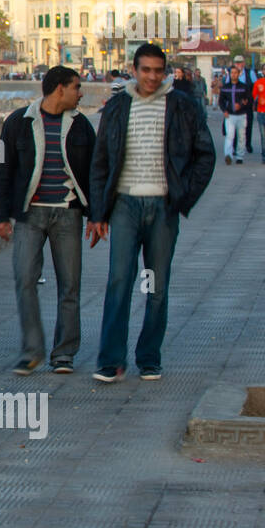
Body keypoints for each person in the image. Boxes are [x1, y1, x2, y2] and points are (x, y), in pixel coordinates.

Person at [86, 42, 215, 383]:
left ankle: (149, 358)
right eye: (146, 70)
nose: (152, 77)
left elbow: (206, 155)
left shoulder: (182, 107)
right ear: (134, 70)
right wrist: (98, 213)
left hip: (162, 207)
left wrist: (183, 197)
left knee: (156, 286)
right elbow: (100, 162)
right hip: (125, 205)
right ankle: (111, 360)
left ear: (165, 71)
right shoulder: (116, 107)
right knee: (119, 281)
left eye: (158, 71)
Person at [0, 66, 94, 376]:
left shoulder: (82, 126)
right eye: (76, 87)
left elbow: (95, 173)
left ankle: (64, 354)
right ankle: (32, 351)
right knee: (25, 280)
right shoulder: (17, 122)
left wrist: (98, 215)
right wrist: (0, 216)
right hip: (29, 215)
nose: (81, 93)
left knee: (70, 286)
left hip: (68, 213)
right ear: (59, 89)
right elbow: (1, 170)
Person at [217, 65, 250, 166]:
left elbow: (248, 100)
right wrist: (224, 111)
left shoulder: (244, 87)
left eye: (236, 73)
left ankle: (240, 156)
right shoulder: (225, 87)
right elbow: (221, 101)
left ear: (239, 74)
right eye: (232, 73)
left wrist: (241, 104)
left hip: (241, 115)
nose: (233, 75)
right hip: (230, 115)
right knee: (229, 136)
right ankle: (228, 155)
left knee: (241, 136)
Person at [233, 55, 259, 154]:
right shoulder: (232, 73)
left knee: (248, 125)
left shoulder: (250, 73)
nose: (238, 64)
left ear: (243, 63)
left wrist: (253, 100)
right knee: (236, 125)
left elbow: (256, 86)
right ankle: (236, 146)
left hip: (247, 103)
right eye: (236, 62)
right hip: (235, 103)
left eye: (240, 62)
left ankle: (247, 144)